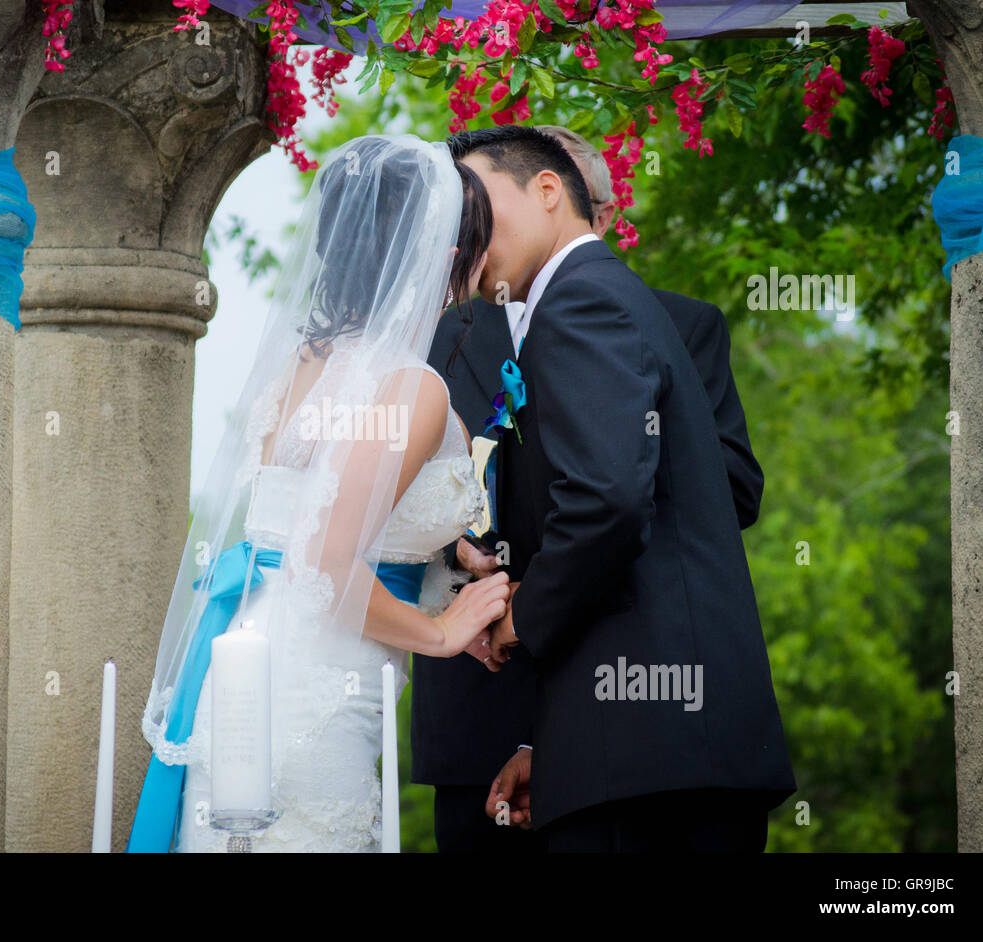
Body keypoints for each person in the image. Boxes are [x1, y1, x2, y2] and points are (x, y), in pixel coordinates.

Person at [126, 134, 508, 852]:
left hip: (245, 664)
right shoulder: (411, 386)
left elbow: (320, 516)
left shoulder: (304, 366)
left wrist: (452, 562)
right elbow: (324, 558)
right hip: (317, 691)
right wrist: (441, 633)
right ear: (451, 258)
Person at [415, 125, 768, 852]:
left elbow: (606, 500)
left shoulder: (582, 302)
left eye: (480, 206)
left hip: (652, 750)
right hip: (601, 733)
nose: (468, 233)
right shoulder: (587, 299)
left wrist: (518, 620)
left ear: (549, 191)